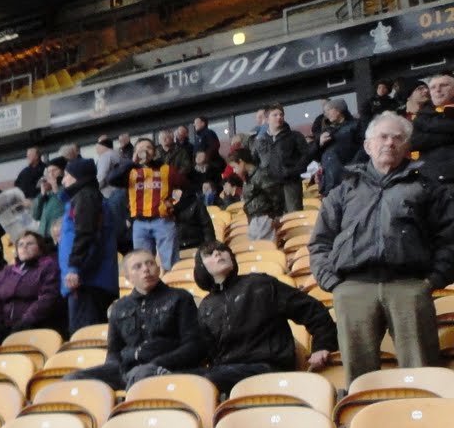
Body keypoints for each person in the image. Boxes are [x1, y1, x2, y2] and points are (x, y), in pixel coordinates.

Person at [307, 112, 454, 383]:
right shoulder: (343, 190)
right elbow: (320, 242)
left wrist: (432, 280)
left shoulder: (426, 187)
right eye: (383, 137)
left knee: (421, 371)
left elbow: (449, 238)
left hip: (409, 286)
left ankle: (425, 410)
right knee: (360, 377)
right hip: (353, 288)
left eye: (398, 138)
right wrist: (334, 284)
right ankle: (364, 410)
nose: (390, 143)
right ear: (367, 145)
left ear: (407, 147)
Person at [192, 242, 338, 395]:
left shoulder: (261, 284)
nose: (217, 253)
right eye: (209, 254)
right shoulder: (206, 307)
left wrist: (322, 345)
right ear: (201, 267)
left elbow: (310, 309)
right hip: (227, 374)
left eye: (222, 250)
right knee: (190, 379)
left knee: (205, 379)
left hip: (270, 366)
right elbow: (208, 353)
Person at [67, 251, 208, 389]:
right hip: (127, 370)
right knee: (73, 378)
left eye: (150, 263)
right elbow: (114, 352)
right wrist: (112, 370)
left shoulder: (180, 298)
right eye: (137, 266)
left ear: (158, 269)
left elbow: (194, 345)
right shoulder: (119, 307)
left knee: (142, 373)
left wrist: (157, 363)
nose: (146, 269)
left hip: (165, 368)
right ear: (128, 277)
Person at [58, 157, 120, 331]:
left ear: (77, 177)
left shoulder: (86, 197)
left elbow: (86, 234)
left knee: (86, 337)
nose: (63, 181)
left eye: (66, 175)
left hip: (87, 281)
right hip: (88, 280)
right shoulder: (84, 197)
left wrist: (74, 268)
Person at [0, 231, 64, 342]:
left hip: (35, 326)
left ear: (40, 248)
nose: (24, 247)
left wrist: (26, 321)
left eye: (30, 244)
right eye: (20, 245)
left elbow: (48, 297)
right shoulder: (7, 271)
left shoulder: (49, 267)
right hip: (4, 327)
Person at [124, 138, 178, 268]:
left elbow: (188, 187)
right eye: (140, 148)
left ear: (154, 152)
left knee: (170, 264)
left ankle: (172, 280)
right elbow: (112, 179)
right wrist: (132, 163)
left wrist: (175, 207)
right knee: (143, 264)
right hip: (139, 223)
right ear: (135, 152)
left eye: (148, 148)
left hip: (163, 220)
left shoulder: (166, 169)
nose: (145, 151)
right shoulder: (129, 171)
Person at [253, 103, 308, 213]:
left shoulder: (294, 136)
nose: (279, 117)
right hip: (269, 186)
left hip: (291, 184)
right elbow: (256, 162)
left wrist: (294, 171)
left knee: (293, 216)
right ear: (267, 119)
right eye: (275, 115)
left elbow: (306, 156)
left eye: (281, 114)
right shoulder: (260, 141)